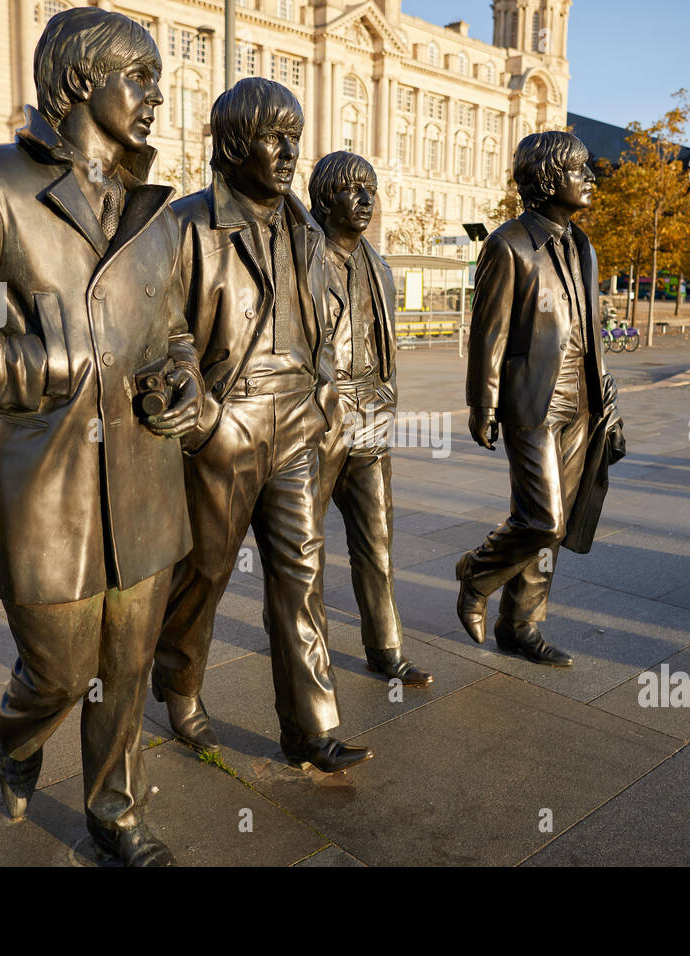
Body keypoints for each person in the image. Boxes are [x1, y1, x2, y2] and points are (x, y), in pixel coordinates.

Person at [0, 8, 201, 866]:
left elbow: (173, 333)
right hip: (49, 486)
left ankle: (117, 813)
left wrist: (184, 378)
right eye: (138, 75)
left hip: (146, 481)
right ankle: (21, 734)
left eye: (157, 78)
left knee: (129, 668)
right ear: (77, 80)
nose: (155, 96)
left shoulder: (155, 213)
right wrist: (34, 365)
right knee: (59, 670)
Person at [152, 78, 373, 774]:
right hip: (229, 422)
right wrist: (205, 421)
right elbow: (162, 333)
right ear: (235, 143)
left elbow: (324, 327)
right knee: (206, 573)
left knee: (303, 575)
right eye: (274, 137)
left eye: (294, 137)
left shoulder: (307, 229)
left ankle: (312, 729)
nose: (288, 152)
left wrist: (327, 395)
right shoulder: (186, 224)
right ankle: (180, 683)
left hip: (298, 426)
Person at [457, 131, 620, 667]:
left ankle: (521, 625)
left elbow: (591, 330)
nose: (591, 179)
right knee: (542, 519)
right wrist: (482, 405)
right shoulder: (508, 244)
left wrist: (609, 405)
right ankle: (477, 575)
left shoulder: (583, 246)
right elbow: (489, 333)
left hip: (583, 402)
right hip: (532, 403)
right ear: (549, 178)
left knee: (559, 525)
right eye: (580, 170)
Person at [308, 151, 432, 688]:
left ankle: (386, 648)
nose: (365, 201)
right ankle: (304, 654)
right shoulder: (302, 257)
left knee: (376, 543)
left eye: (370, 190)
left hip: (373, 416)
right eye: (352, 189)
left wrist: (387, 397)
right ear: (324, 197)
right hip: (318, 419)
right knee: (302, 550)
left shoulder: (379, 266)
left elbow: (388, 345)